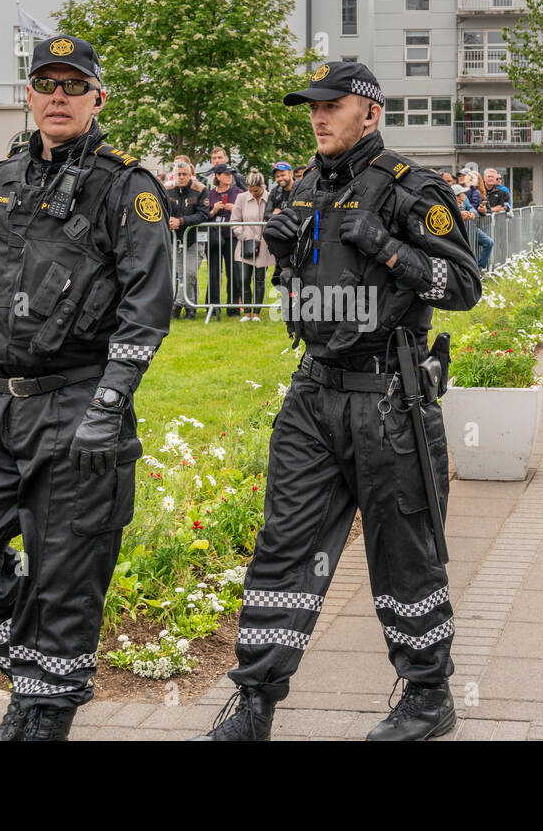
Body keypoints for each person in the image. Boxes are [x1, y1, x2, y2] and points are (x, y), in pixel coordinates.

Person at [196, 60, 481, 742]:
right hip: (314, 391)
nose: (318, 116)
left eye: (332, 104)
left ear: (370, 113)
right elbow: (292, 275)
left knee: (403, 550)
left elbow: (464, 284)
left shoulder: (413, 189)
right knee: (283, 546)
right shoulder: (303, 186)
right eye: (312, 106)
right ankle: (256, 701)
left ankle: (427, 692)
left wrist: (388, 249)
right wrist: (285, 266)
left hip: (389, 397)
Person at [0, 35, 172, 741]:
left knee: (66, 562)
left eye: (74, 84)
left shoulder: (127, 187)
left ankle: (42, 708)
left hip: (78, 397)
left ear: (99, 97)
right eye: (47, 83)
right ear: (29, 95)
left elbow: (146, 303)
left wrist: (110, 401)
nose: (59, 95)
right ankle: (38, 657)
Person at [166, 160, 209, 318]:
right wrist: (169, 220)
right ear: (175, 175)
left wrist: (181, 221)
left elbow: (203, 214)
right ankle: (190, 309)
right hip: (174, 239)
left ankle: (177, 305)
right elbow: (162, 210)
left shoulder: (201, 189)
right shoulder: (167, 189)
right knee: (179, 275)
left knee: (190, 274)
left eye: (185, 174)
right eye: (179, 174)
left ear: (191, 175)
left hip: (194, 237)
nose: (182, 177)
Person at [230, 169, 270, 321]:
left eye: (256, 190)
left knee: (259, 279)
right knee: (244, 279)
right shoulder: (241, 198)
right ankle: (247, 312)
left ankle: (257, 314)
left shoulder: (270, 197)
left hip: (263, 245)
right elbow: (234, 221)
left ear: (263, 185)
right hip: (244, 244)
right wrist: (244, 236)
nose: (253, 193)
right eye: (250, 190)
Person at [204, 164, 243, 319]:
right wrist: (213, 210)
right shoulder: (209, 194)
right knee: (214, 272)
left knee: (233, 272)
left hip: (232, 236)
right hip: (214, 237)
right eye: (226, 174)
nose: (229, 176)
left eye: (231, 174)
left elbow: (246, 213)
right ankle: (212, 307)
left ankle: (233, 308)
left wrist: (235, 208)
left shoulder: (239, 193)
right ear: (218, 176)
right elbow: (204, 215)